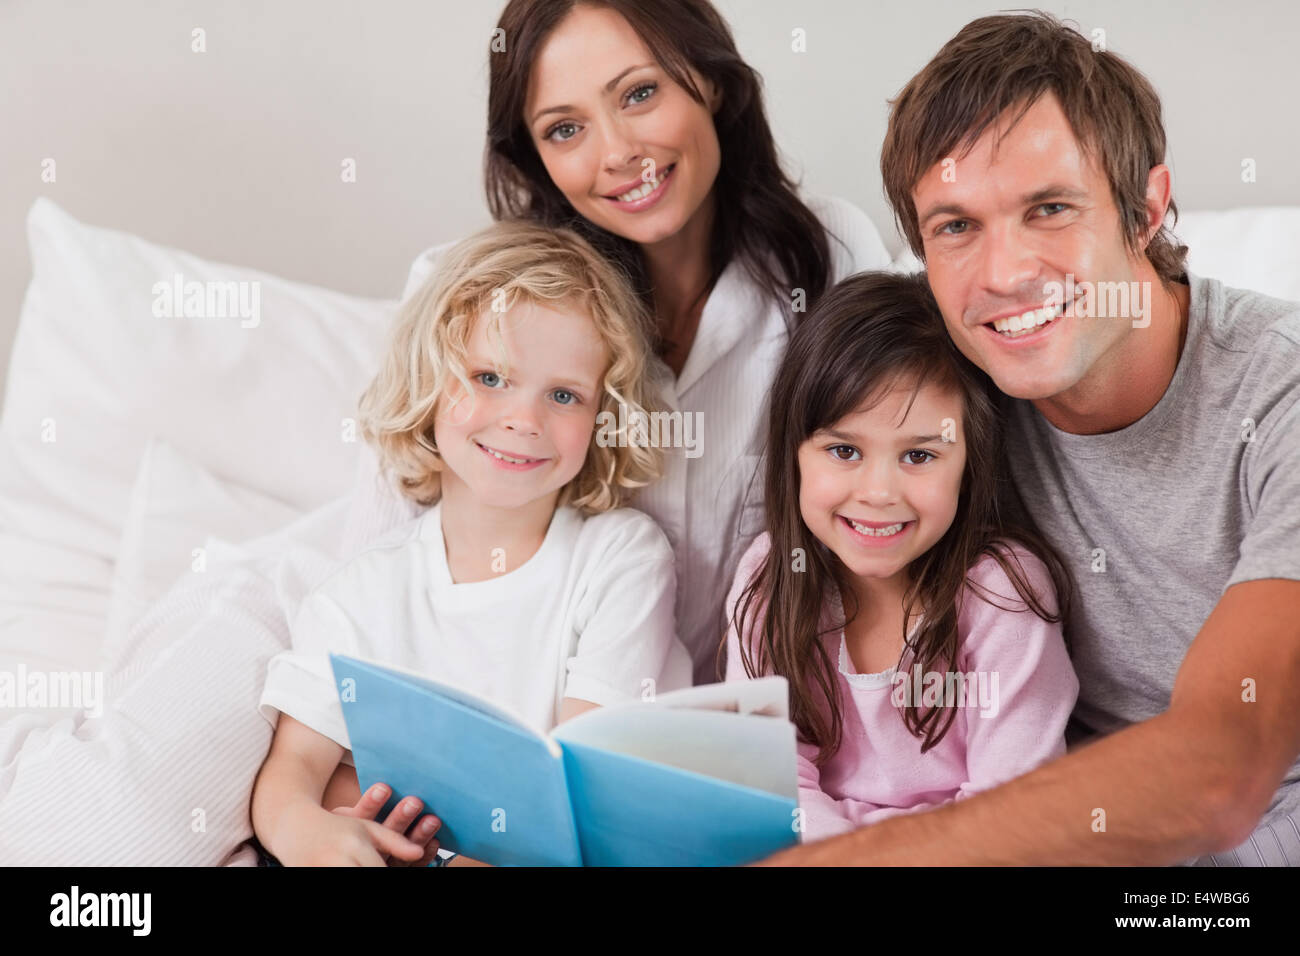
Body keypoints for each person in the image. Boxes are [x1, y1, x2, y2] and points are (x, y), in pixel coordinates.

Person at [764, 12, 1300, 866]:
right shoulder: (942, 396)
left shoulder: (1280, 394)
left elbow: (1222, 769)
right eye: (955, 226)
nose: (1005, 275)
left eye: (1049, 209)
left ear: (1146, 209)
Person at [251, 221, 692, 865]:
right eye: (489, 378)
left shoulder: (621, 559)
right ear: (428, 382)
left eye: (563, 395)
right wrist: (308, 835)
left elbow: (578, 797)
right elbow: (291, 771)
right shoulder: (360, 594)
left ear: (604, 416)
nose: (523, 420)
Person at [723, 271, 1078, 843]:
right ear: (794, 453)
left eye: (918, 455)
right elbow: (772, 785)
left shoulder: (1003, 594)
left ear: (970, 464)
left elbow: (1011, 813)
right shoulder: (770, 577)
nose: (879, 492)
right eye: (844, 450)